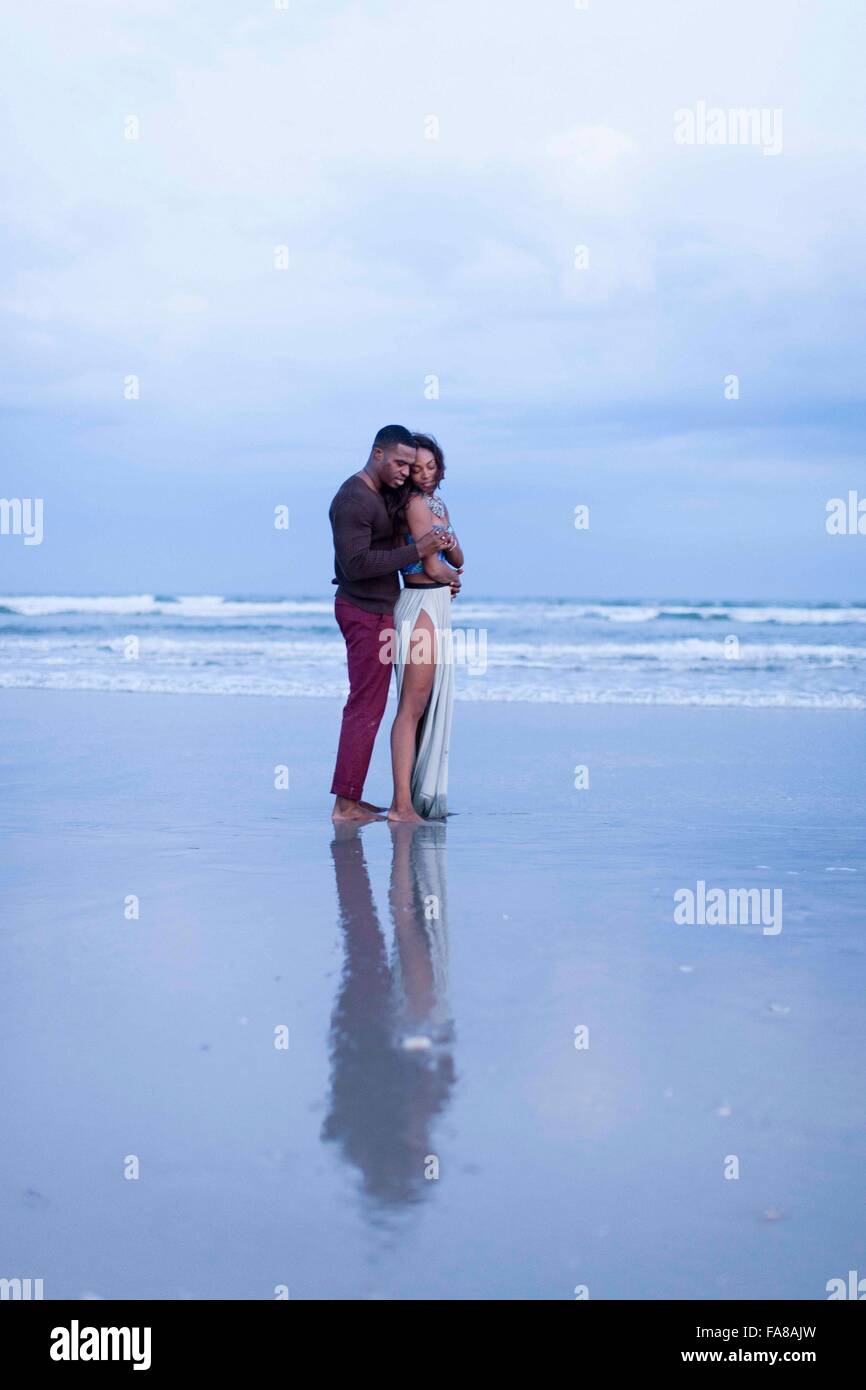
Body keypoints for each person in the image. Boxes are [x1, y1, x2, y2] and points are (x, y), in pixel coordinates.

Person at [329, 424, 459, 822]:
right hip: (365, 612)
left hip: (385, 608)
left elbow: (391, 547)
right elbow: (357, 564)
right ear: (378, 454)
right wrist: (417, 553)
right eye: (401, 463)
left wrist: (436, 576)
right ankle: (347, 805)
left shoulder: (381, 495)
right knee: (365, 707)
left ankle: (353, 800)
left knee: (373, 706)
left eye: (415, 465)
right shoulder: (353, 499)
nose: (407, 471)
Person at [388, 434, 464, 822]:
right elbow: (433, 566)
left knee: (424, 703)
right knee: (411, 707)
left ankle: (413, 800)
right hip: (420, 605)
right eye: (416, 468)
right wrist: (453, 578)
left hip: (434, 604)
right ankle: (402, 805)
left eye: (431, 466)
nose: (424, 474)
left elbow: (458, 555)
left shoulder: (437, 504)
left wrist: (451, 567)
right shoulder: (415, 505)